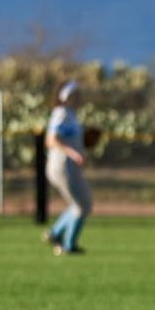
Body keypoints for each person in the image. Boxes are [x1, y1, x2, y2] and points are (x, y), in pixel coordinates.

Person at [43, 81, 92, 256]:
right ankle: (67, 244)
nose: (79, 97)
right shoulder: (61, 113)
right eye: (76, 94)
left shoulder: (71, 114)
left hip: (69, 166)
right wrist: (73, 153)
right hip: (62, 165)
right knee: (82, 205)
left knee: (81, 204)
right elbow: (51, 140)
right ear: (67, 96)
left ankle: (56, 234)